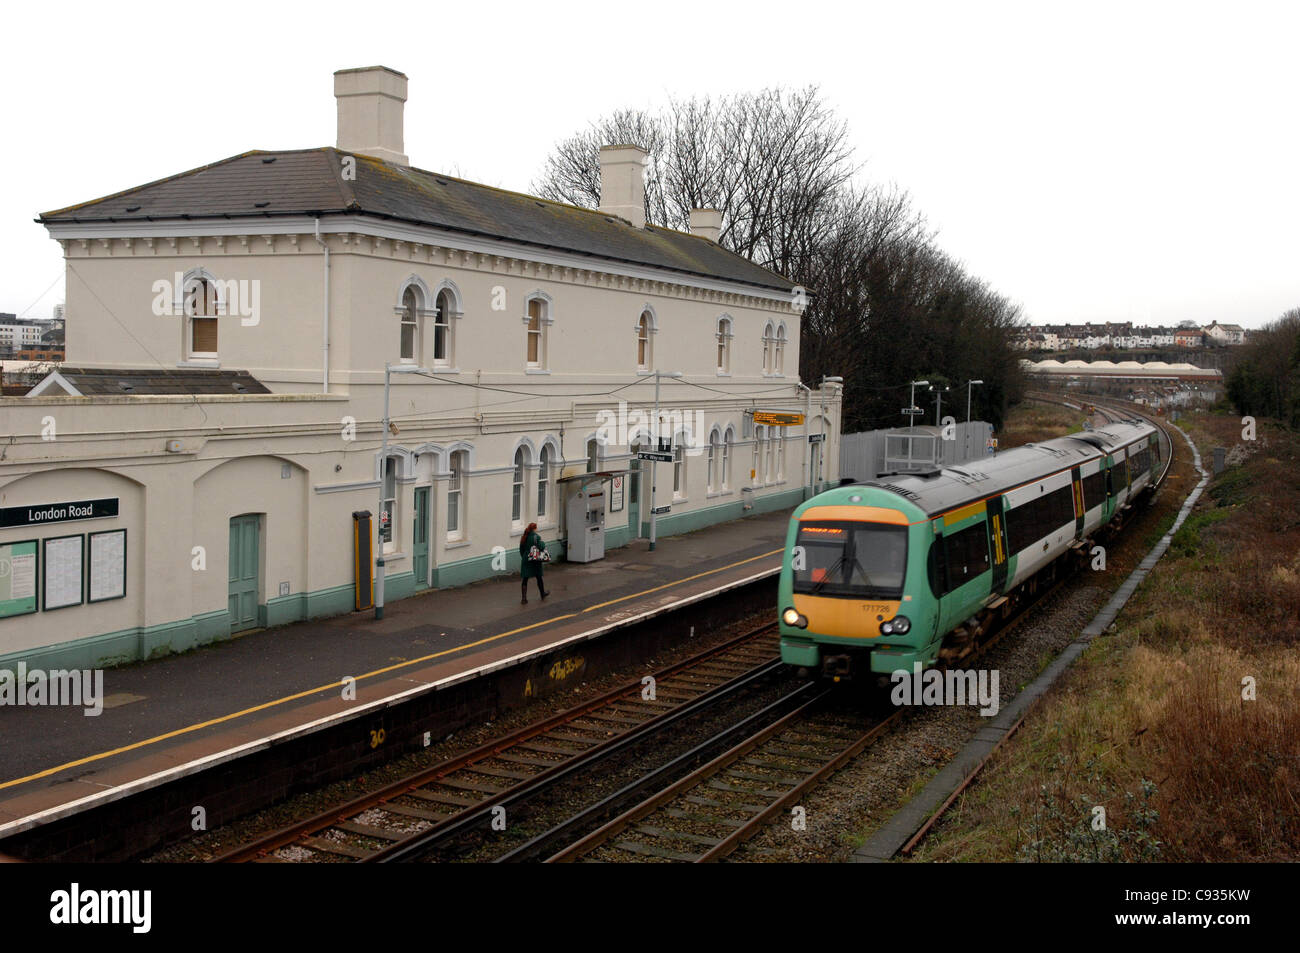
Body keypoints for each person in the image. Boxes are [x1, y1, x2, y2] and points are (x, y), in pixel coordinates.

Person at [519, 521, 549, 603]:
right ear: (535, 528)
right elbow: (541, 547)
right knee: (539, 577)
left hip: (526, 559)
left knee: (525, 579)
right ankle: (542, 594)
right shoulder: (536, 537)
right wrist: (542, 543)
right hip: (535, 560)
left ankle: (524, 599)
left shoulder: (524, 536)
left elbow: (521, 549)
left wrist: (524, 557)